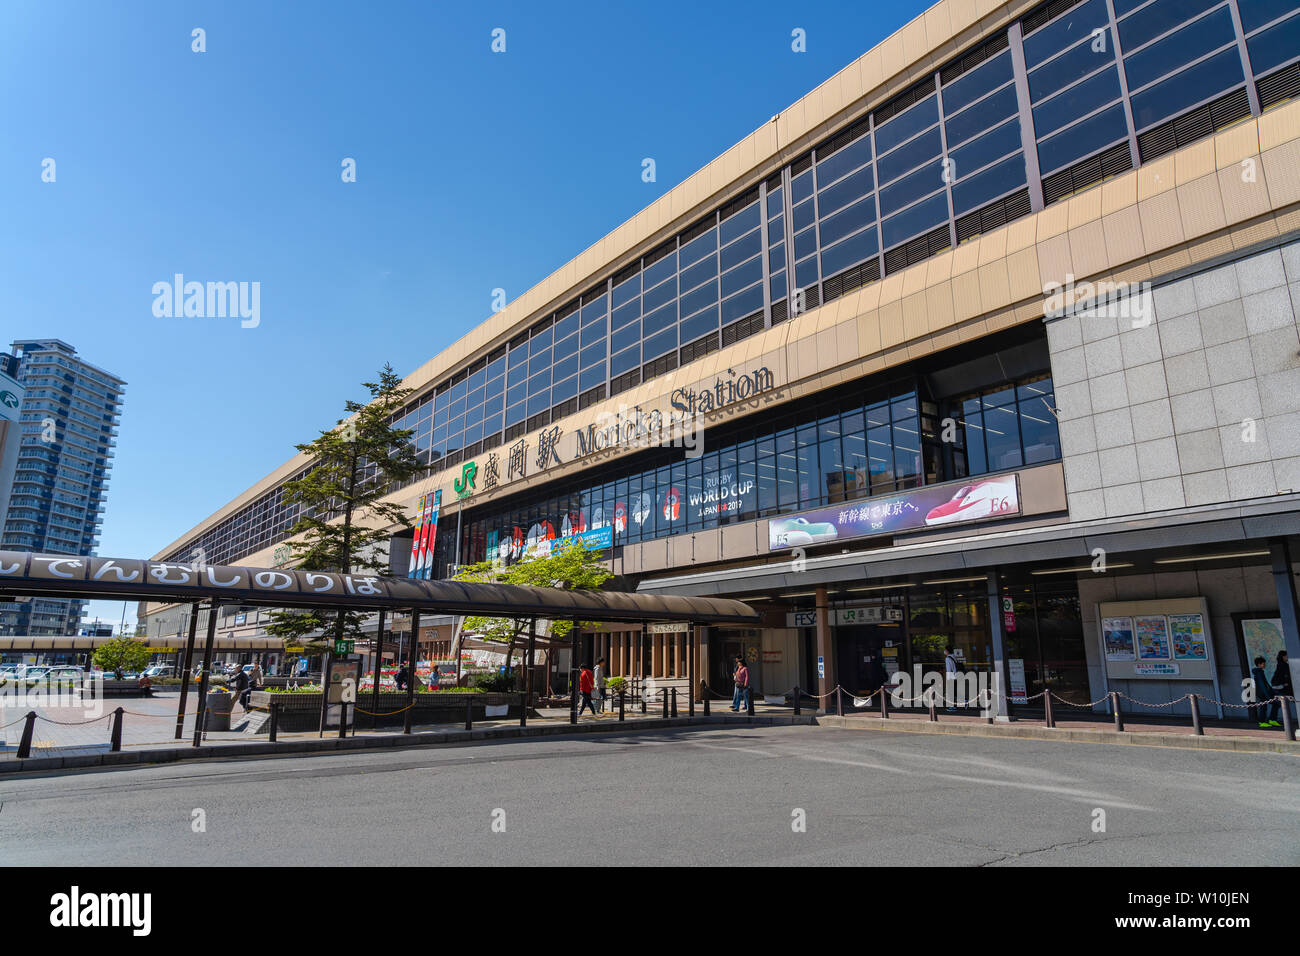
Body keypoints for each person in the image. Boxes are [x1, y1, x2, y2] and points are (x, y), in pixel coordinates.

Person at [1250, 656, 1279, 728]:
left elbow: (1265, 684)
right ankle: (1263, 721)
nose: (1264, 665)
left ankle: (1270, 720)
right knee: (1266, 706)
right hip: (1262, 693)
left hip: (1263, 693)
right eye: (1263, 664)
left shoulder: (1259, 672)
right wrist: (1268, 695)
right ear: (1259, 664)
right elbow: (1262, 685)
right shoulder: (1259, 673)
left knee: (1269, 705)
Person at [1271, 651, 1293, 725]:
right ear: (1283, 657)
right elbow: (1283, 676)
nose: (1287, 657)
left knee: (1277, 705)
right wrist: (1284, 684)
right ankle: (1273, 719)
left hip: (1280, 688)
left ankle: (1272, 719)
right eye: (1286, 656)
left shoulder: (1280, 665)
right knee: (1279, 704)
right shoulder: (1283, 665)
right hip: (1282, 688)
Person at [943, 647, 960, 713]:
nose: (944, 651)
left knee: (951, 692)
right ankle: (956, 705)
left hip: (951, 677)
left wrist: (948, 679)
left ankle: (953, 706)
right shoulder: (954, 657)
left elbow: (949, 669)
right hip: (956, 675)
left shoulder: (948, 658)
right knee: (955, 691)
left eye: (945, 650)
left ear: (947, 651)